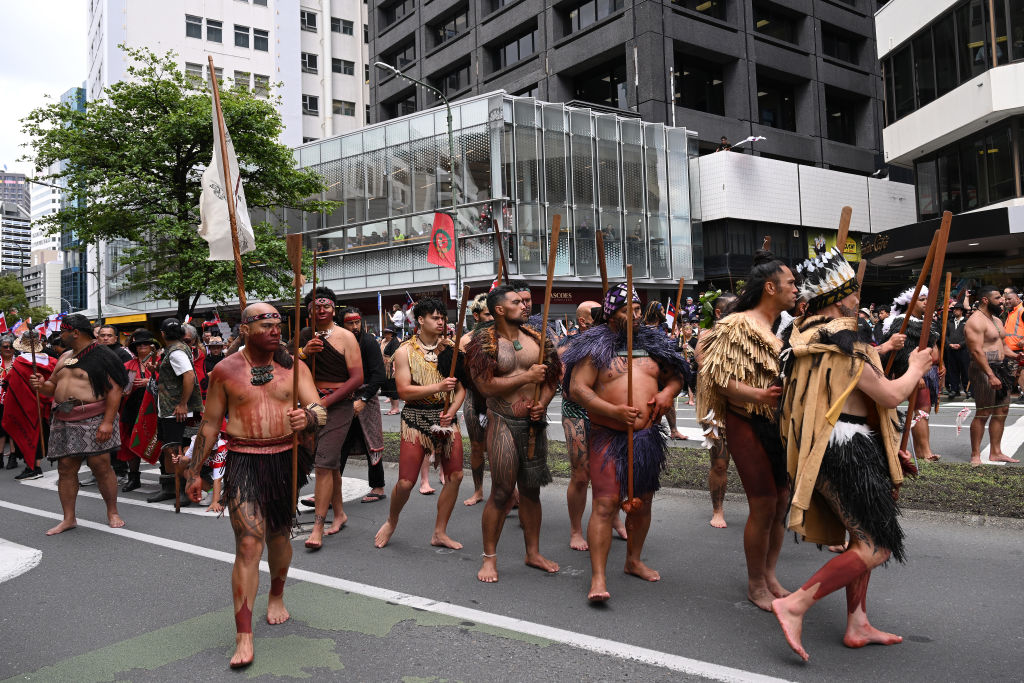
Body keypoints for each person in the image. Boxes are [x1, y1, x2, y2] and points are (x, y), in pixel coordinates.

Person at [774, 246, 930, 661]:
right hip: (845, 448)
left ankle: (857, 621)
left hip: (828, 446)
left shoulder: (806, 336)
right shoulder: (846, 343)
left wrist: (889, 450)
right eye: (853, 293)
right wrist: (917, 367)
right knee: (875, 546)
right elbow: (890, 394)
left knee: (860, 539)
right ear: (838, 298)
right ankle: (795, 605)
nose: (858, 299)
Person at [184, 303, 324, 669]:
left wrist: (307, 417)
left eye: (278, 323)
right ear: (245, 330)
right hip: (244, 460)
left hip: (285, 460)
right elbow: (210, 423)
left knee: (278, 536)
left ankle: (276, 595)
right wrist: (194, 471)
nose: (275, 330)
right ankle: (243, 635)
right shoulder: (225, 370)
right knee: (248, 543)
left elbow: (318, 407)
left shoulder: (294, 366)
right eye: (266, 325)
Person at [564, 284, 687, 601]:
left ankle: (633, 560)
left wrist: (667, 393)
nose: (634, 315)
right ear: (610, 315)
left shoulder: (654, 344)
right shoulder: (594, 347)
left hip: (645, 439)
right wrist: (613, 411)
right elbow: (578, 389)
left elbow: (677, 375)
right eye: (625, 310)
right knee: (605, 505)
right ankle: (598, 577)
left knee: (642, 503)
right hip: (608, 436)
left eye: (636, 309)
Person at [695, 252, 796, 610]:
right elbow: (717, 379)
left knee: (782, 501)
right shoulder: (736, 325)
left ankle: (770, 575)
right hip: (746, 422)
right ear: (770, 287)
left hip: (778, 425)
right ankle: (756, 585)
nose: (796, 289)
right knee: (764, 503)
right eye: (791, 283)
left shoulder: (784, 328)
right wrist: (759, 396)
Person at [465, 285, 561, 583]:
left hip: (533, 424)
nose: (524, 305)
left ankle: (533, 553)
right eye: (516, 302)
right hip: (502, 422)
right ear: (499, 309)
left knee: (531, 490)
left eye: (524, 301)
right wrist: (526, 376)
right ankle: (489, 559)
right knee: (502, 491)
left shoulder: (537, 338)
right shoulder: (482, 342)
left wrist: (543, 404)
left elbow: (553, 377)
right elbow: (485, 387)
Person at [374, 297, 466, 550]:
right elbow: (404, 391)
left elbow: (461, 389)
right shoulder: (404, 351)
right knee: (406, 482)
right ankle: (391, 521)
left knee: (456, 476)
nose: (441, 322)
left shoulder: (451, 350)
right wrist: (438, 387)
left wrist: (452, 411)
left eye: (442, 318)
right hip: (416, 417)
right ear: (421, 320)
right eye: (435, 318)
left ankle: (439, 532)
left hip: (446, 418)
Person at [28, 315, 129, 534]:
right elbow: (52, 386)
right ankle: (68, 518)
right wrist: (41, 385)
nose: (60, 336)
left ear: (75, 332)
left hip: (94, 418)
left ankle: (112, 512)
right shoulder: (65, 356)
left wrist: (107, 422)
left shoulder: (103, 356)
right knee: (65, 468)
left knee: (101, 466)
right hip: (63, 418)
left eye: (63, 332)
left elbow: (115, 390)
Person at [298, 287, 363, 550]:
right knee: (331, 464)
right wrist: (304, 352)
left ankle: (317, 526)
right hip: (310, 403)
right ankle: (340, 514)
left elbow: (357, 378)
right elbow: (288, 365)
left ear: (334, 309)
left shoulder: (346, 337)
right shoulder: (305, 335)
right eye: (316, 306)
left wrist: (326, 402)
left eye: (326, 306)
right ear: (309, 311)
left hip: (337, 406)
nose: (321, 310)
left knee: (324, 464)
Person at [560, 300, 628, 550]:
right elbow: (569, 389)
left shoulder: (616, 343)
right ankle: (576, 530)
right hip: (577, 412)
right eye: (596, 314)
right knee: (581, 475)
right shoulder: (569, 346)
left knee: (612, 470)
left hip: (607, 412)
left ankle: (614, 517)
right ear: (582, 321)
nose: (603, 317)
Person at [146, 318, 204, 505]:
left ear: (162, 334)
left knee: (175, 451)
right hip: (169, 408)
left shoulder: (176, 351)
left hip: (175, 410)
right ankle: (170, 488)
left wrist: (183, 404)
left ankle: (185, 489)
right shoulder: (175, 349)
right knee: (170, 449)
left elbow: (189, 375)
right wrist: (158, 368)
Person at [880, 288, 942, 462]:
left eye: (927, 299)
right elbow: (901, 353)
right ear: (910, 302)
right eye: (922, 299)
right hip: (909, 372)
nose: (926, 303)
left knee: (923, 410)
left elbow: (932, 348)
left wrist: (940, 364)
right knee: (920, 409)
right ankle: (924, 451)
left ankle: (922, 450)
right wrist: (915, 374)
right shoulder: (902, 321)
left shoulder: (926, 321)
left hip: (925, 370)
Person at [338, 307, 388, 504]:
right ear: (342, 325)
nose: (355, 326)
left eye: (357, 322)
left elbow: (379, 375)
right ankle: (329, 489)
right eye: (350, 323)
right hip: (344, 399)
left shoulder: (368, 342)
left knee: (372, 445)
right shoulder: (337, 342)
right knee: (338, 445)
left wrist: (364, 400)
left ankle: (378, 486)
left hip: (366, 399)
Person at [966, 287, 1019, 465]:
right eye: (998, 298)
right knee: (984, 412)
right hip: (983, 369)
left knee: (1002, 410)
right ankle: (975, 455)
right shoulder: (975, 321)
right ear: (985, 300)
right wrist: (990, 375)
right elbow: (976, 351)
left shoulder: (996, 320)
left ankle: (996, 452)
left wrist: (1016, 356)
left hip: (1001, 368)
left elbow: (1003, 345)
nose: (1002, 301)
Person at [461, 293, 494, 507]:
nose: (492, 318)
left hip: (497, 399)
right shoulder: (465, 341)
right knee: (476, 446)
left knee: (499, 448)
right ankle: (478, 490)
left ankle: (507, 491)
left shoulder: (503, 337)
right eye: (487, 314)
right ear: (476, 316)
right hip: (474, 398)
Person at [118, 329, 159, 492]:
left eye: (146, 343)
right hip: (132, 407)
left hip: (155, 407)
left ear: (152, 346)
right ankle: (133, 477)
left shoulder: (160, 362)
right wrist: (124, 389)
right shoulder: (128, 365)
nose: (142, 346)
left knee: (160, 440)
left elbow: (170, 383)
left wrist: (150, 382)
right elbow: (122, 388)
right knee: (131, 440)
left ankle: (166, 478)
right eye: (138, 344)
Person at [1002, 287, 1023, 396]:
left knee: (1019, 374)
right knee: (1015, 375)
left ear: (1017, 299)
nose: (1007, 301)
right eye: (1006, 299)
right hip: (1011, 350)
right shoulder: (1011, 312)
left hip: (1019, 351)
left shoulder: (1021, 310)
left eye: (1009, 299)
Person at [379, 327, 402, 414]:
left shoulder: (395, 342)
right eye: (385, 333)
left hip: (392, 367)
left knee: (393, 387)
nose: (386, 334)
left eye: (388, 333)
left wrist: (394, 368)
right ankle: (392, 408)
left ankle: (396, 408)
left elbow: (395, 356)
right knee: (389, 388)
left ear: (392, 334)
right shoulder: (386, 341)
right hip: (387, 366)